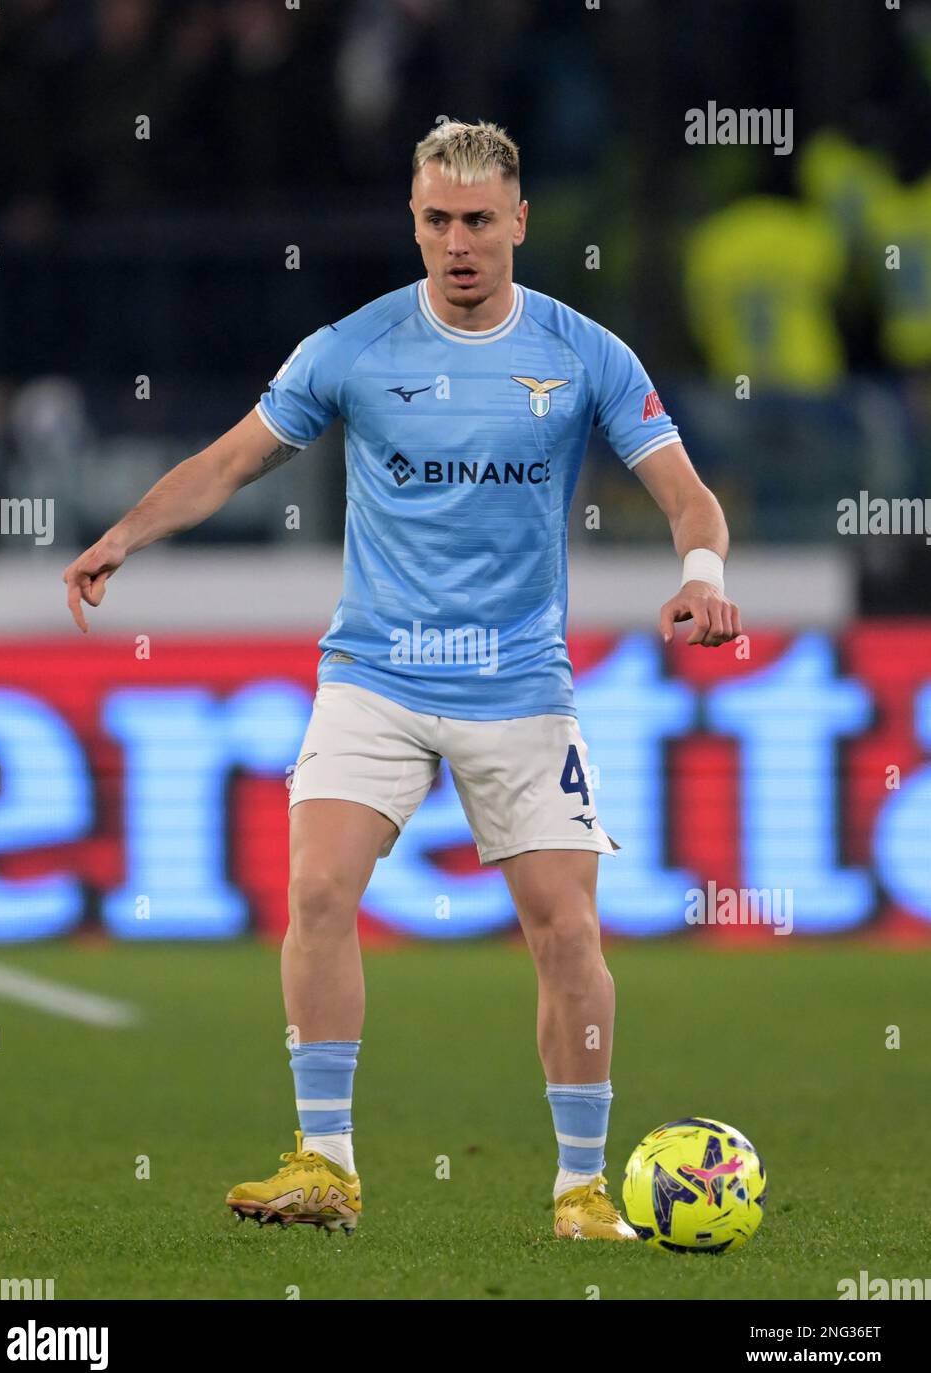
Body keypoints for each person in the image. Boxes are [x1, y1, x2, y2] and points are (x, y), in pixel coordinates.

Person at [63, 119, 741, 1241]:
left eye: (478, 221)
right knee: (319, 891)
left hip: (518, 682)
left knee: (565, 930)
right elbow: (232, 458)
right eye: (436, 220)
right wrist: (124, 535)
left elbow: (684, 492)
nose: (457, 243)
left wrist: (703, 573)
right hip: (373, 671)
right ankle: (324, 1164)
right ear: (413, 221)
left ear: (519, 223)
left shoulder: (584, 354)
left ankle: (580, 1187)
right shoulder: (354, 347)